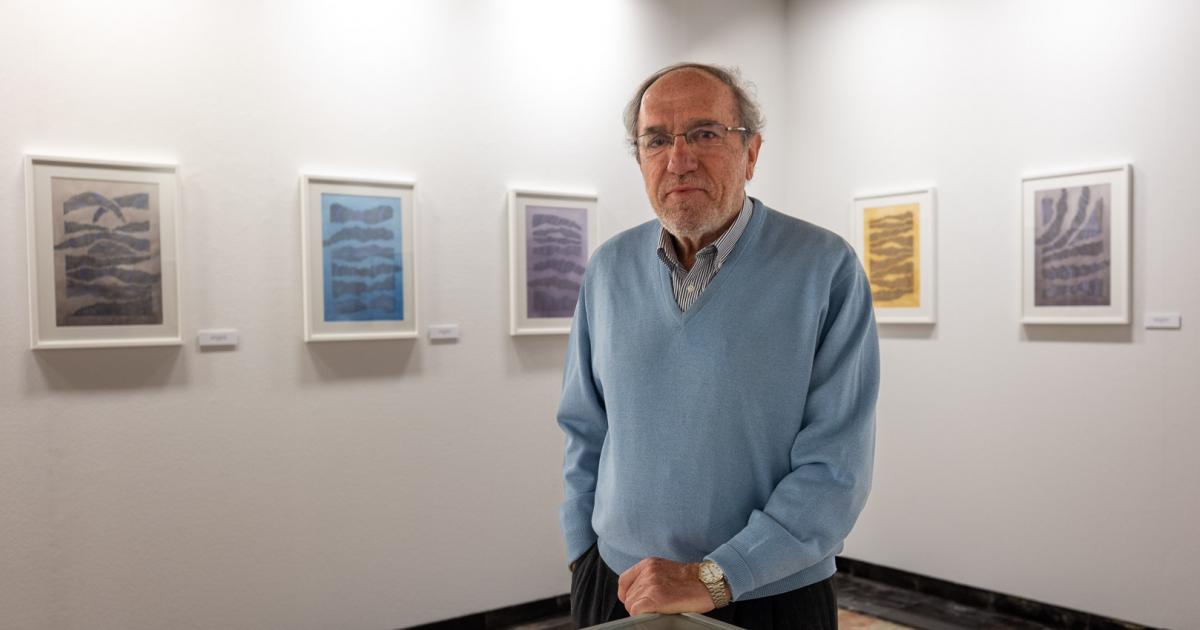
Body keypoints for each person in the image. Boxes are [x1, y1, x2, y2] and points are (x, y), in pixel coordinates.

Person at [556, 62, 880, 630]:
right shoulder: (608, 269)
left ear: (752, 152)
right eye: (657, 139)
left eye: (706, 134)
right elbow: (586, 428)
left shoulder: (823, 269)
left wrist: (716, 576)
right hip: (616, 588)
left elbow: (836, 469)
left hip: (769, 596)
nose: (678, 159)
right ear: (641, 159)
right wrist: (582, 549)